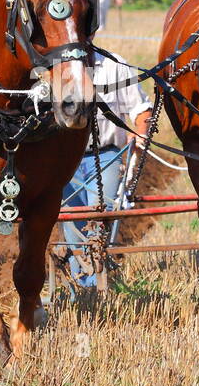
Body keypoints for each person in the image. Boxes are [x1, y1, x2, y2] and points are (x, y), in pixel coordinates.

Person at [59, 51, 152, 287]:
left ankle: (96, 280)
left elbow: (140, 108)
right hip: (64, 159)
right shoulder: (54, 67)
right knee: (73, 228)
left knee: (101, 219)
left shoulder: (114, 65)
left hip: (107, 155)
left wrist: (141, 133)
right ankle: (82, 285)